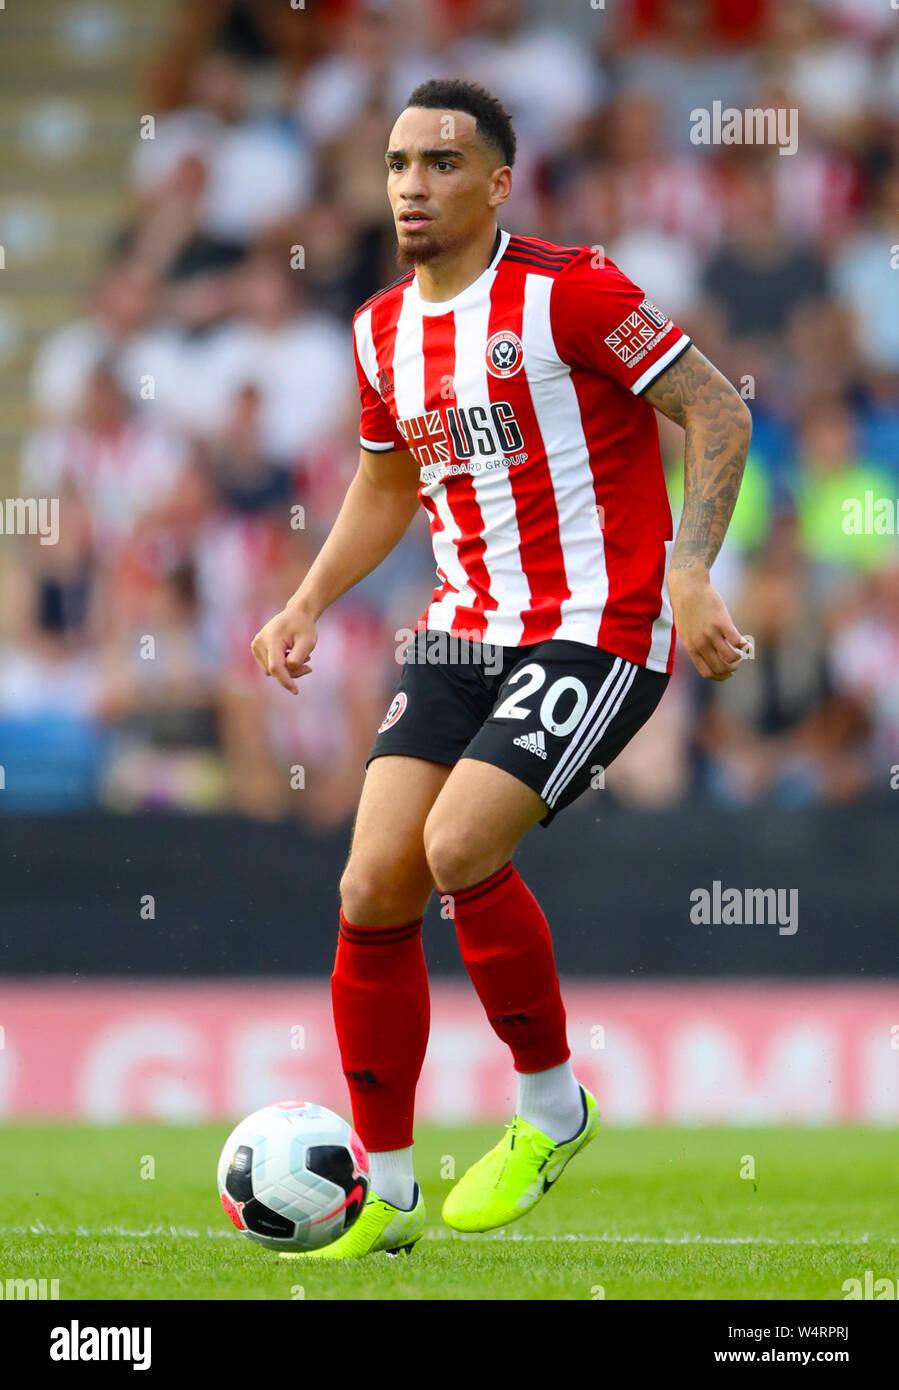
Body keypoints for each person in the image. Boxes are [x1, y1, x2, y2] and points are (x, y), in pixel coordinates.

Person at [251, 79, 752, 1258]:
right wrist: (309, 596)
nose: (411, 186)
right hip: (461, 628)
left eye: (437, 162)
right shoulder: (379, 329)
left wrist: (689, 571)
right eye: (395, 165)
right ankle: (383, 1189)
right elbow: (385, 483)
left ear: (495, 180)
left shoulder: (569, 292)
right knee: (372, 882)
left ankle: (549, 1106)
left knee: (457, 845)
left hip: (599, 621)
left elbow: (716, 409)